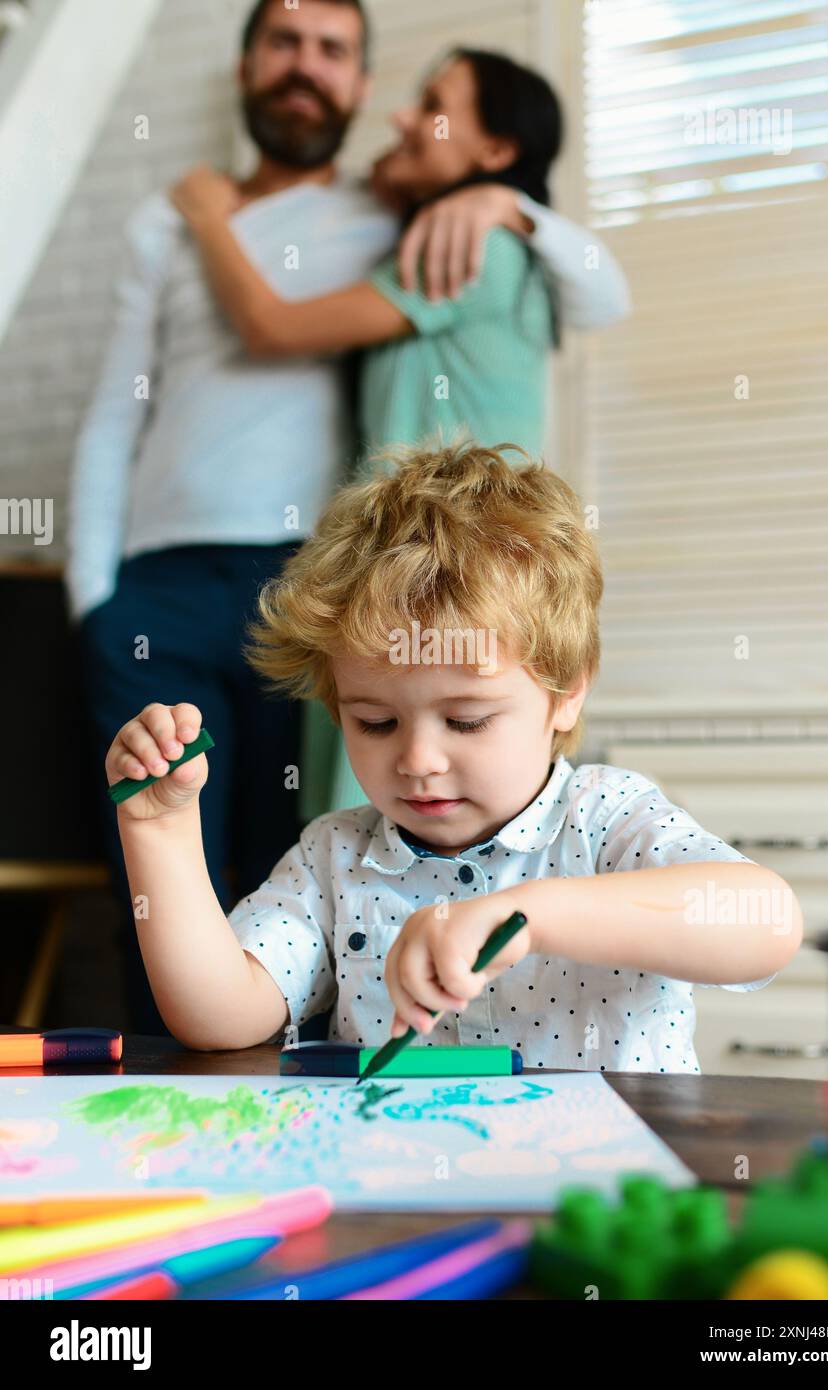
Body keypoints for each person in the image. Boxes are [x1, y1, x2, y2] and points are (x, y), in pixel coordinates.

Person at [67, 0, 627, 1035]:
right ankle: (168, 1109)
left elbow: (600, 293)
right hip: (173, 581)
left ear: (356, 84)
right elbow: (115, 410)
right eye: (283, 42)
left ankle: (316, 1083)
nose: (306, 67)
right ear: (245, 67)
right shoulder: (173, 219)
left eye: (333, 51)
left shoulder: (407, 224)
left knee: (315, 845)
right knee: (162, 849)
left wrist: (511, 204)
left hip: (330, 577)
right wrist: (96, 598)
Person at [103, 440, 802, 1072]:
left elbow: (764, 923)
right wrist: (158, 830)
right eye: (375, 722)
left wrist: (527, 916)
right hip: (406, 1191)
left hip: (606, 1195)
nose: (418, 759)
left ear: (565, 694)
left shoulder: (605, 819)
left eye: (465, 721)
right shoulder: (334, 856)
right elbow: (219, 1019)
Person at [170, 43, 631, 823]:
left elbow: (269, 326)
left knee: (387, 820)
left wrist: (210, 219)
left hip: (438, 582)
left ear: (495, 149)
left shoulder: (473, 246)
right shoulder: (450, 230)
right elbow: (385, 178)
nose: (402, 119)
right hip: (414, 570)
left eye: (434, 106)